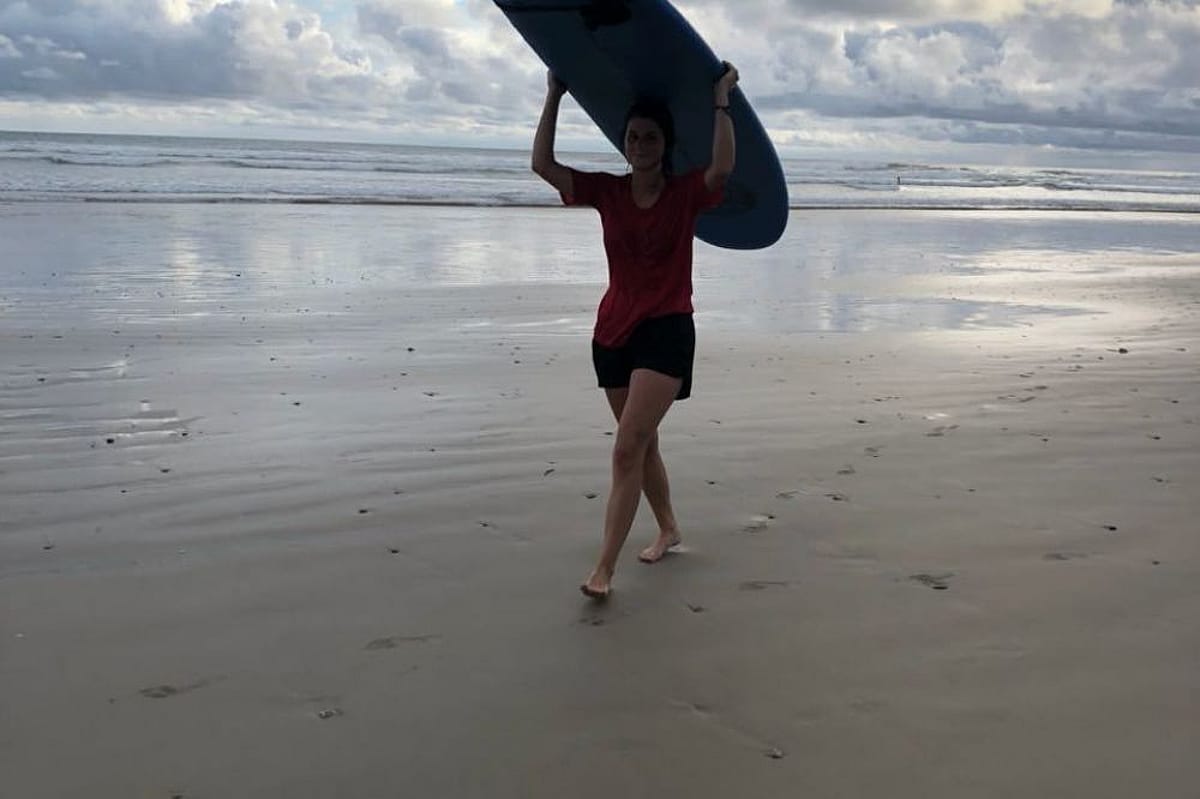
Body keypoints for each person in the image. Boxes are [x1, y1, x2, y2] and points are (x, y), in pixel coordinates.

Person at [531, 62, 740, 600]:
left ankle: (603, 568)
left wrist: (721, 101)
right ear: (623, 143)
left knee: (626, 447)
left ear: (664, 143)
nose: (640, 144)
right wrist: (554, 95)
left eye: (650, 137)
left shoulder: (685, 193)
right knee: (641, 445)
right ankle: (669, 528)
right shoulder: (608, 192)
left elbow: (722, 168)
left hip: (667, 328)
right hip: (613, 333)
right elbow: (543, 165)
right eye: (632, 136)